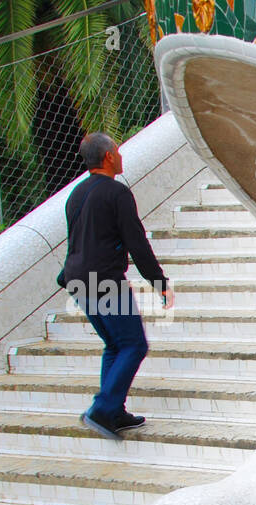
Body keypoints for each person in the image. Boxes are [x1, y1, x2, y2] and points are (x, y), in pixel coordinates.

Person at [59, 131, 174, 440]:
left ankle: (115, 412)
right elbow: (136, 242)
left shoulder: (76, 194)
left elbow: (77, 241)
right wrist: (159, 282)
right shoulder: (116, 193)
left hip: (78, 283)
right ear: (108, 157)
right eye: (118, 151)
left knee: (115, 345)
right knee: (135, 345)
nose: (121, 156)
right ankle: (102, 408)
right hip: (105, 282)